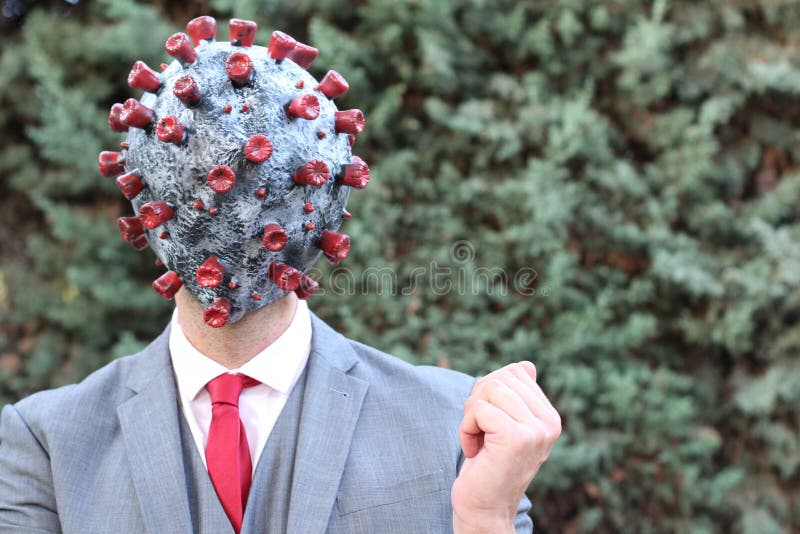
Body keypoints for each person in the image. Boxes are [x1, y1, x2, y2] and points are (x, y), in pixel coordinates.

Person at [0, 15, 561, 534]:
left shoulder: (452, 427)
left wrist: (484, 517)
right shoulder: (45, 446)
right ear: (145, 203)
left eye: (267, 186)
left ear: (331, 196)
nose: (240, 215)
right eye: (207, 184)